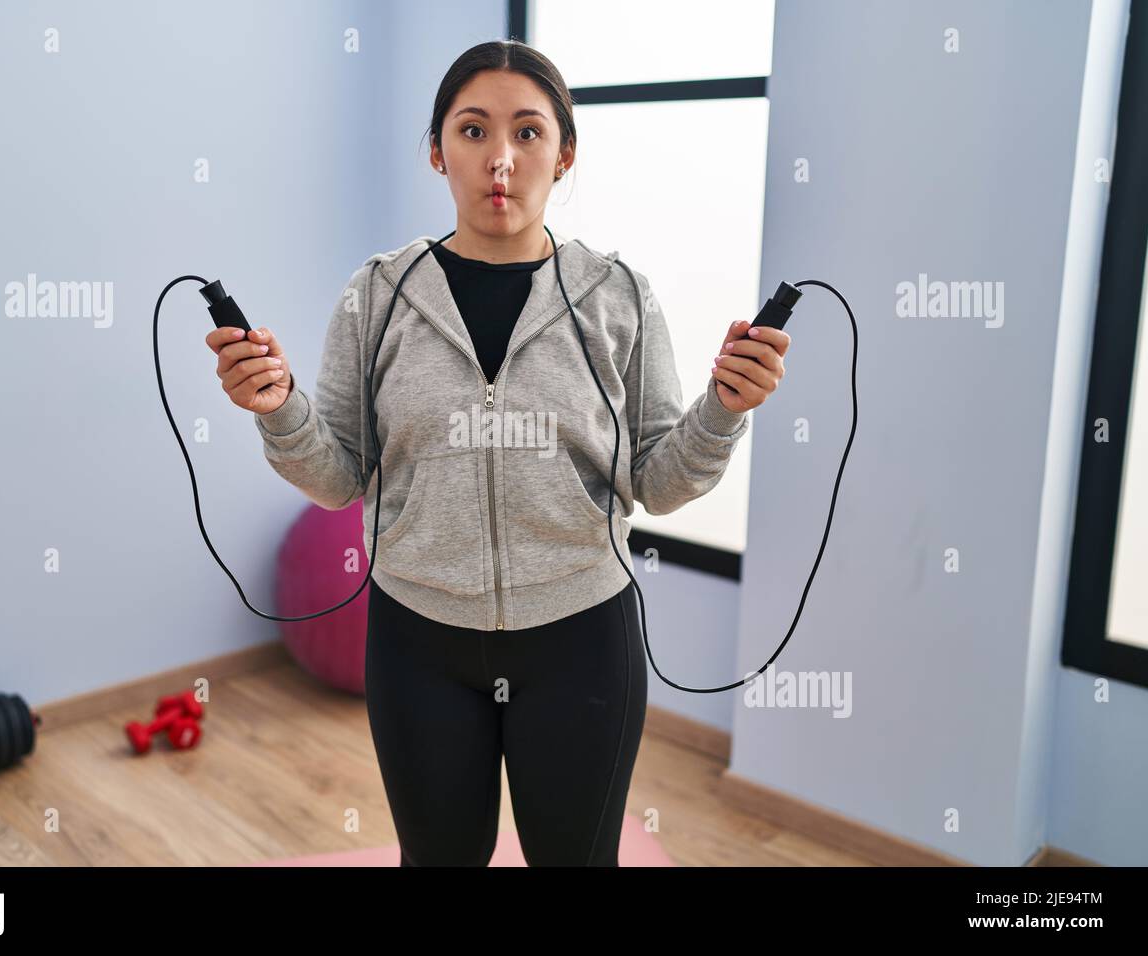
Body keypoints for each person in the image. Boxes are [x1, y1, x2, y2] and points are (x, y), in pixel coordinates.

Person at [205, 40, 791, 866]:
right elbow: (338, 479)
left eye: (528, 133)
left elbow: (657, 482)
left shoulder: (618, 296)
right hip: (417, 641)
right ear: (438, 151)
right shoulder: (378, 294)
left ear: (566, 155)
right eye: (474, 131)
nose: (501, 159)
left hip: (583, 639)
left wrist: (724, 411)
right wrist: (279, 411)